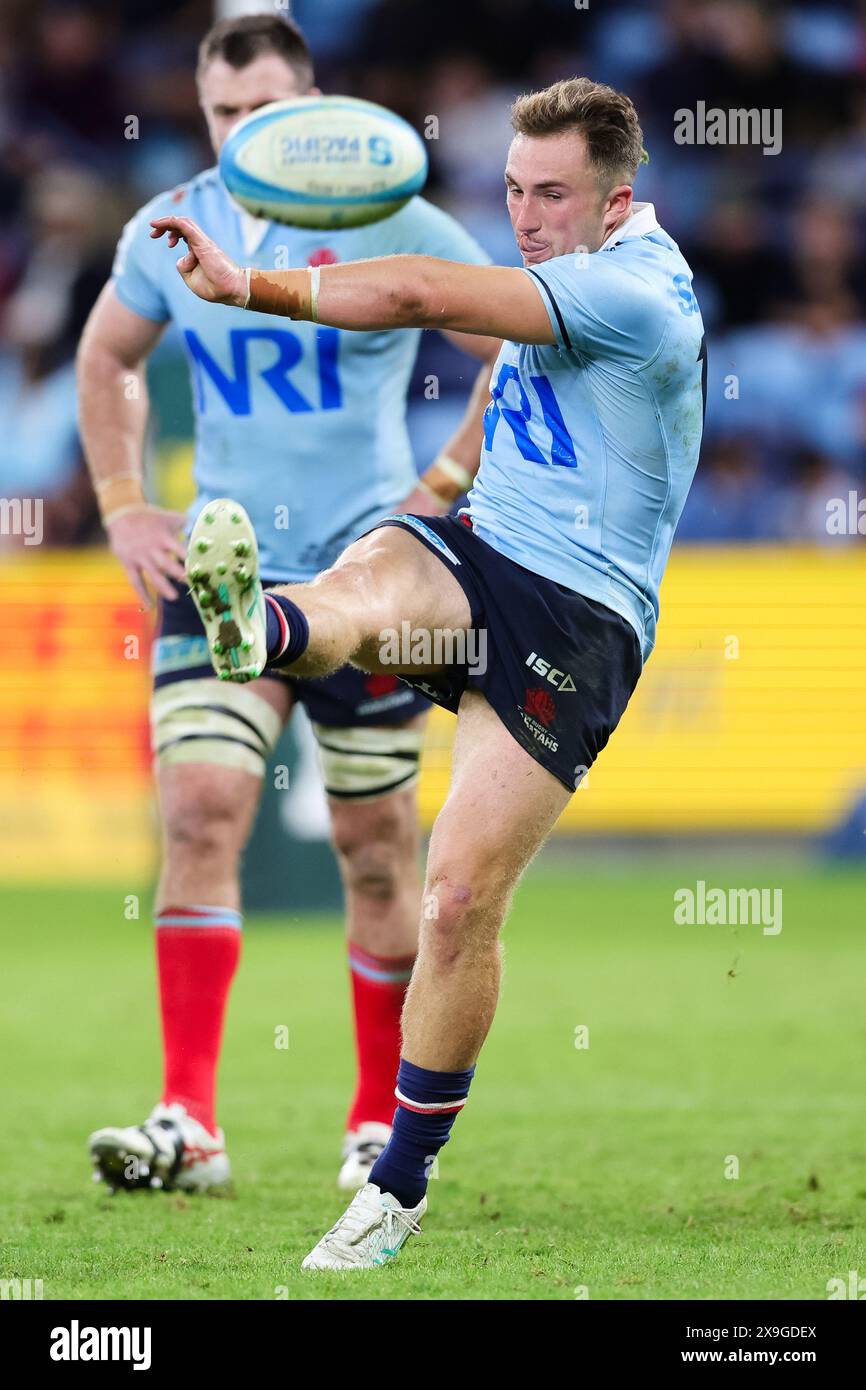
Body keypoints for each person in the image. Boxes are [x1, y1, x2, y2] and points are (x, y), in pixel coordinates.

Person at [150, 73, 706, 1268]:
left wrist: (251, 284)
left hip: (581, 618)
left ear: (617, 201)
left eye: (550, 194)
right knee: (370, 579)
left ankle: (396, 1180)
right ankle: (264, 631)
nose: (525, 215)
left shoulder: (635, 297)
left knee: (455, 899)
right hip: (483, 552)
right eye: (510, 189)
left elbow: (411, 288)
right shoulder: (564, 270)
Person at [80, 13, 497, 1196]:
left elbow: (512, 342)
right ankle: (189, 1123)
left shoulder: (396, 214)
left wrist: (444, 483)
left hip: (366, 580)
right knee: (203, 810)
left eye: (267, 110)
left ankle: (374, 1124)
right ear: (199, 115)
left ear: (311, 107)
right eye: (222, 114)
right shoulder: (172, 227)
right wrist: (121, 505)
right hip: (221, 566)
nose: (244, 132)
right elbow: (106, 359)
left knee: (377, 848)